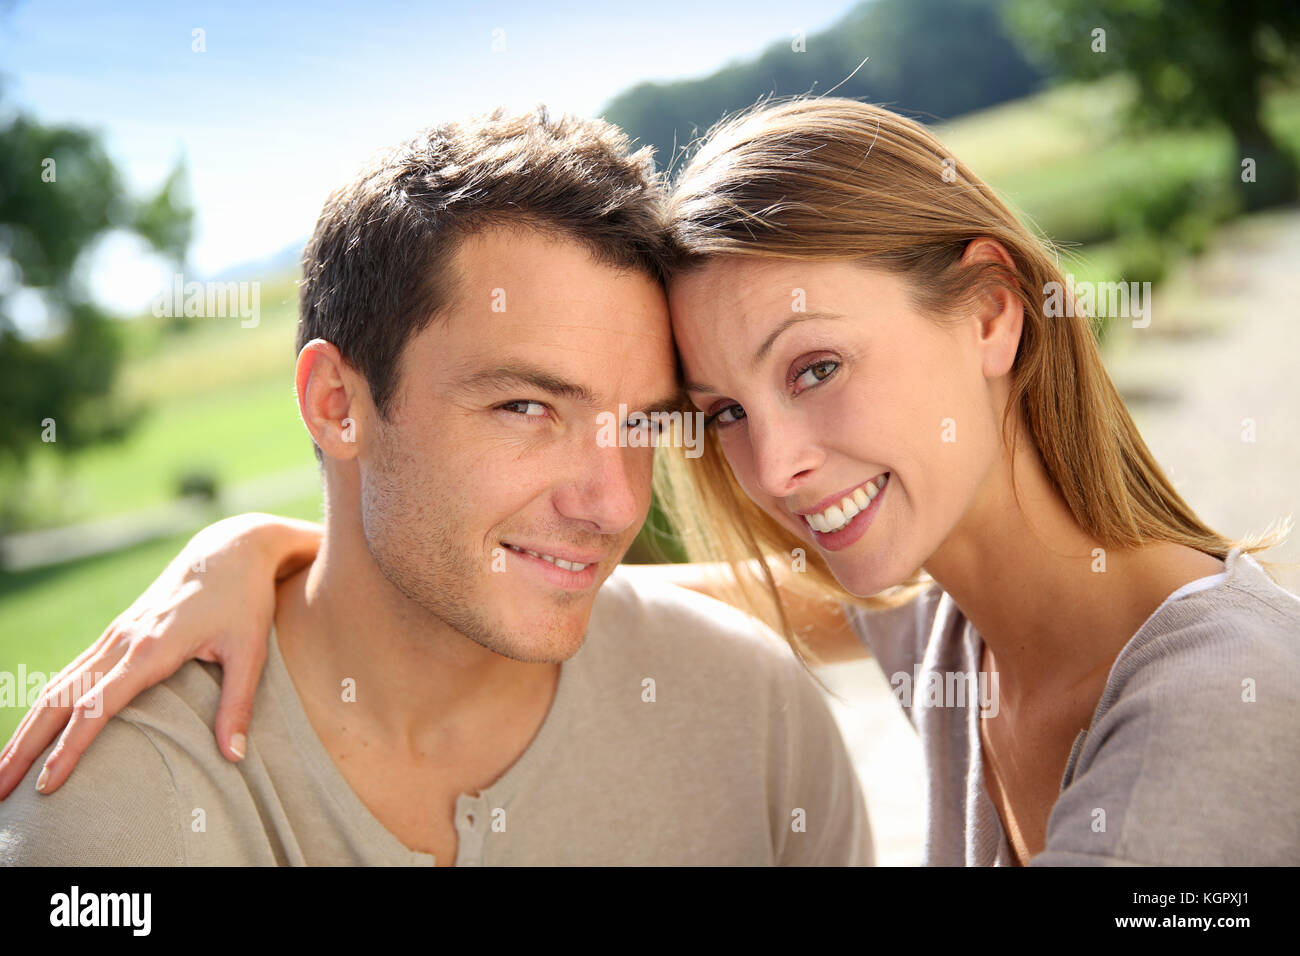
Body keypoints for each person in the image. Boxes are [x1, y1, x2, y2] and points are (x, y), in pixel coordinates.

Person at [6, 97, 1300, 866]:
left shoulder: (1218, 712)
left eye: (819, 366)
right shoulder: (954, 622)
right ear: (337, 405)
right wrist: (278, 545)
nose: (774, 467)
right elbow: (609, 591)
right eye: (723, 410)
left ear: (991, 319)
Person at [0, 107, 873, 866]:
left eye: (641, 423)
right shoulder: (110, 814)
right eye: (527, 406)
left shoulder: (753, 716)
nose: (613, 505)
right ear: (337, 405)